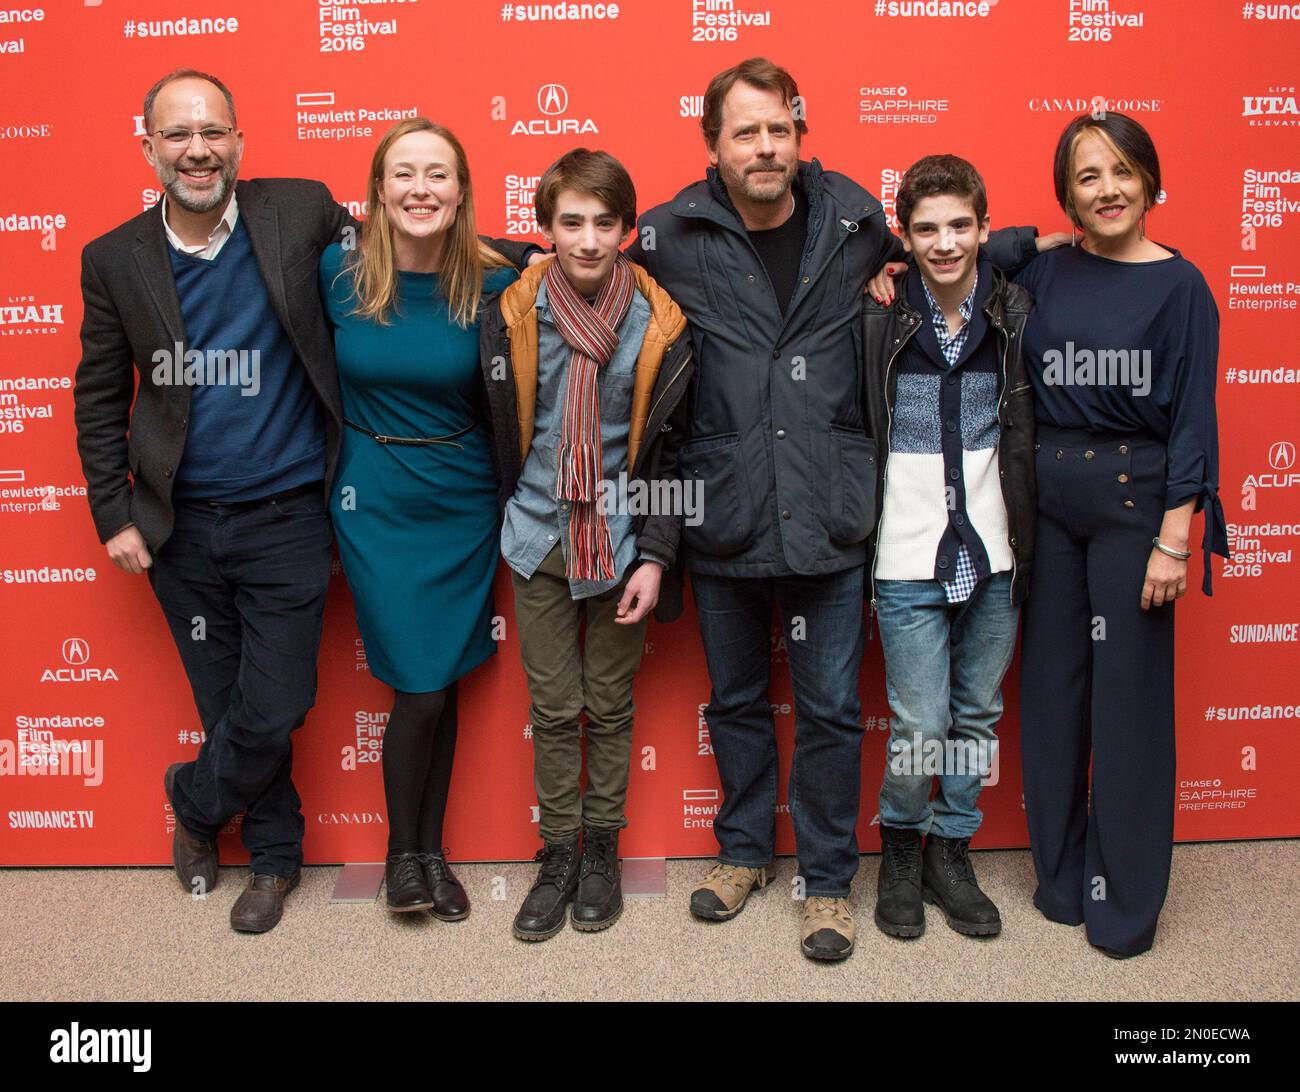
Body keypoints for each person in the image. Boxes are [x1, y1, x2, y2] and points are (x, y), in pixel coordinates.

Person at [73, 70, 536, 933]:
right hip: (180, 521)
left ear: (240, 142)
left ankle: (207, 799)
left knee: (283, 700)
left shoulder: (296, 218)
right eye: (177, 135)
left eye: (213, 132)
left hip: (293, 508)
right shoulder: (115, 259)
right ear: (148, 148)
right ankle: (272, 859)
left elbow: (426, 233)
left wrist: (548, 250)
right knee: (230, 705)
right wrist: (114, 513)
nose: (197, 149)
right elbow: (100, 395)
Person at [628, 57, 1042, 961]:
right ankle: (743, 853)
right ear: (713, 145)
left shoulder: (858, 223)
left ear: (799, 131)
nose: (766, 146)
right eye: (746, 132)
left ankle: (825, 881)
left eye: (779, 128)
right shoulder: (672, 235)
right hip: (723, 507)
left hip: (831, 510)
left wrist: (1040, 243)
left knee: (829, 710)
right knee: (735, 700)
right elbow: (583, 259)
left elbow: (967, 248)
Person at [1014, 112, 1229, 958]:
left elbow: (1195, 423)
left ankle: (1125, 905)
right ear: (1066, 193)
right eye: (1086, 175)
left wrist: (1176, 539)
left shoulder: (1182, 287)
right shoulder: (1039, 271)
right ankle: (1063, 882)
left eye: (1120, 172)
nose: (1106, 189)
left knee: (1129, 707)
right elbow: (948, 252)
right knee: (1052, 696)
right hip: (1046, 506)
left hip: (1135, 509)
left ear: (1149, 181)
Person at [480, 150, 693, 940]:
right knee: (554, 704)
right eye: (570, 222)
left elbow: (674, 454)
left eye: (606, 223)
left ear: (630, 230)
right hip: (537, 536)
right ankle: (559, 853)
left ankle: (601, 850)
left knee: (607, 707)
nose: (589, 239)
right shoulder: (514, 308)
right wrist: (517, 255)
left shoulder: (660, 321)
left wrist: (657, 556)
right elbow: (451, 238)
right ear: (546, 230)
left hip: (621, 539)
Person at [320, 119, 518, 919]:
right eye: (403, 174)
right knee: (421, 685)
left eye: (438, 174)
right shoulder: (335, 272)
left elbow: (603, 255)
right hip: (374, 496)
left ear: (462, 190)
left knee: (442, 682)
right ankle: (405, 857)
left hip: (465, 497)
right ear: (376, 191)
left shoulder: (498, 277)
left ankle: (430, 854)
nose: (420, 190)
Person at [862, 155, 1037, 941]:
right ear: (904, 236)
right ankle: (900, 848)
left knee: (978, 717)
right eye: (925, 228)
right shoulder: (880, 309)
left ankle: (951, 847)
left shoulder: (1015, 309)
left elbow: (1046, 243)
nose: (944, 243)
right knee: (921, 722)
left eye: (960, 225)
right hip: (906, 555)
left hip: (994, 552)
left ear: (984, 229)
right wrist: (878, 263)